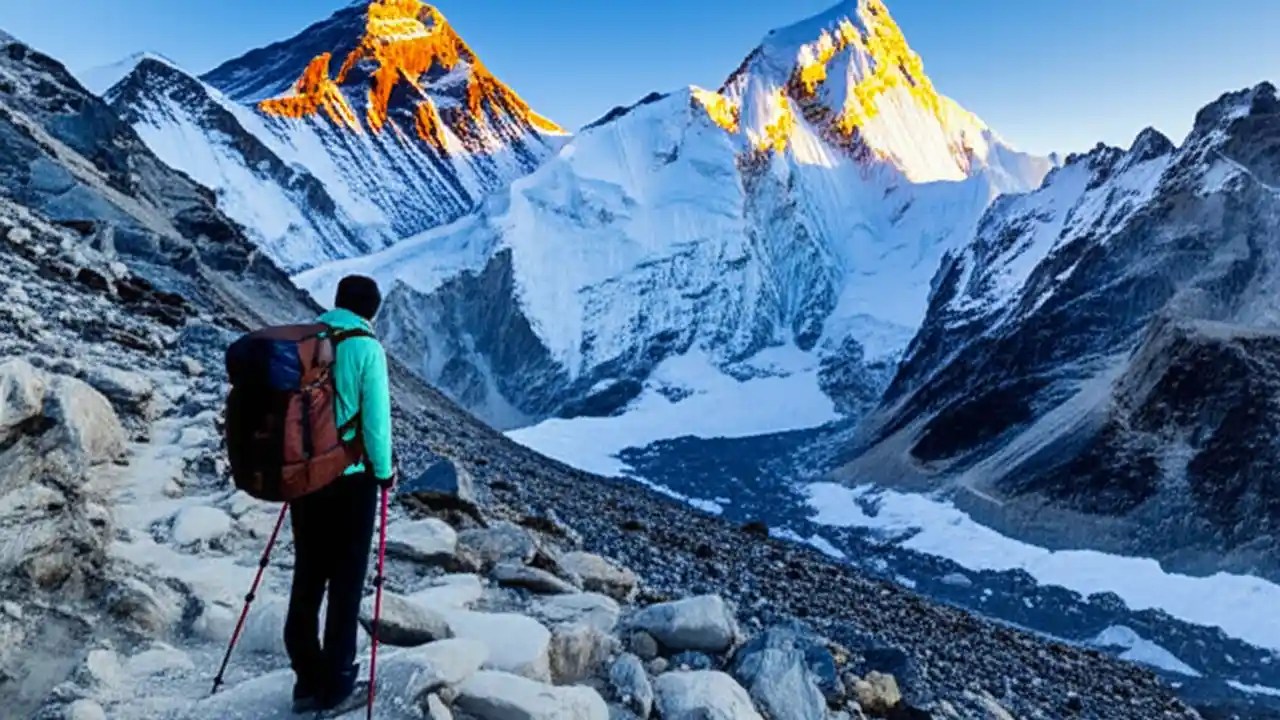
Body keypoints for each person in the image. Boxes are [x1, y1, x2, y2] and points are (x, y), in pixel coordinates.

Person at [284, 274, 395, 714]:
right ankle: (337, 681)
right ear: (371, 311)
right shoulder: (367, 348)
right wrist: (384, 474)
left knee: (308, 573)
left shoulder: (306, 340)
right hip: (351, 479)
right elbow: (376, 424)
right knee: (346, 582)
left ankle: (305, 679)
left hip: (306, 478)